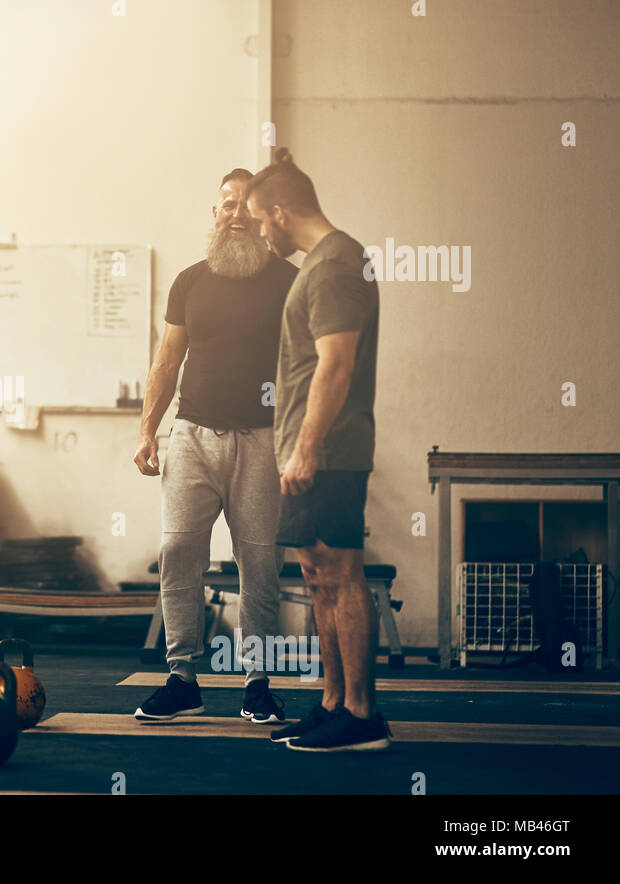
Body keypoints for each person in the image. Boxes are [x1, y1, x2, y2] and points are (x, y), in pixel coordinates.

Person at [133, 168, 297, 724]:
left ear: (261, 215)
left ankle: (259, 682)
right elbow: (166, 360)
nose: (236, 214)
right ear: (215, 213)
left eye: (246, 207)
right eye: (227, 205)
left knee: (260, 564)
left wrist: (301, 443)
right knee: (178, 553)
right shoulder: (189, 282)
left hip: (264, 441)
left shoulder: (288, 281)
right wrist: (146, 429)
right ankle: (182, 678)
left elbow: (306, 367)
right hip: (192, 437)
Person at [244, 148, 390, 752]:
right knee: (317, 575)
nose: (256, 230)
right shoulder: (323, 265)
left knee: (340, 573)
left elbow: (336, 365)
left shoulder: (335, 265)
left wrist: (305, 449)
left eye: (257, 218)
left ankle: (361, 715)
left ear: (280, 211)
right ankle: (333, 703)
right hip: (310, 453)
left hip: (328, 454)